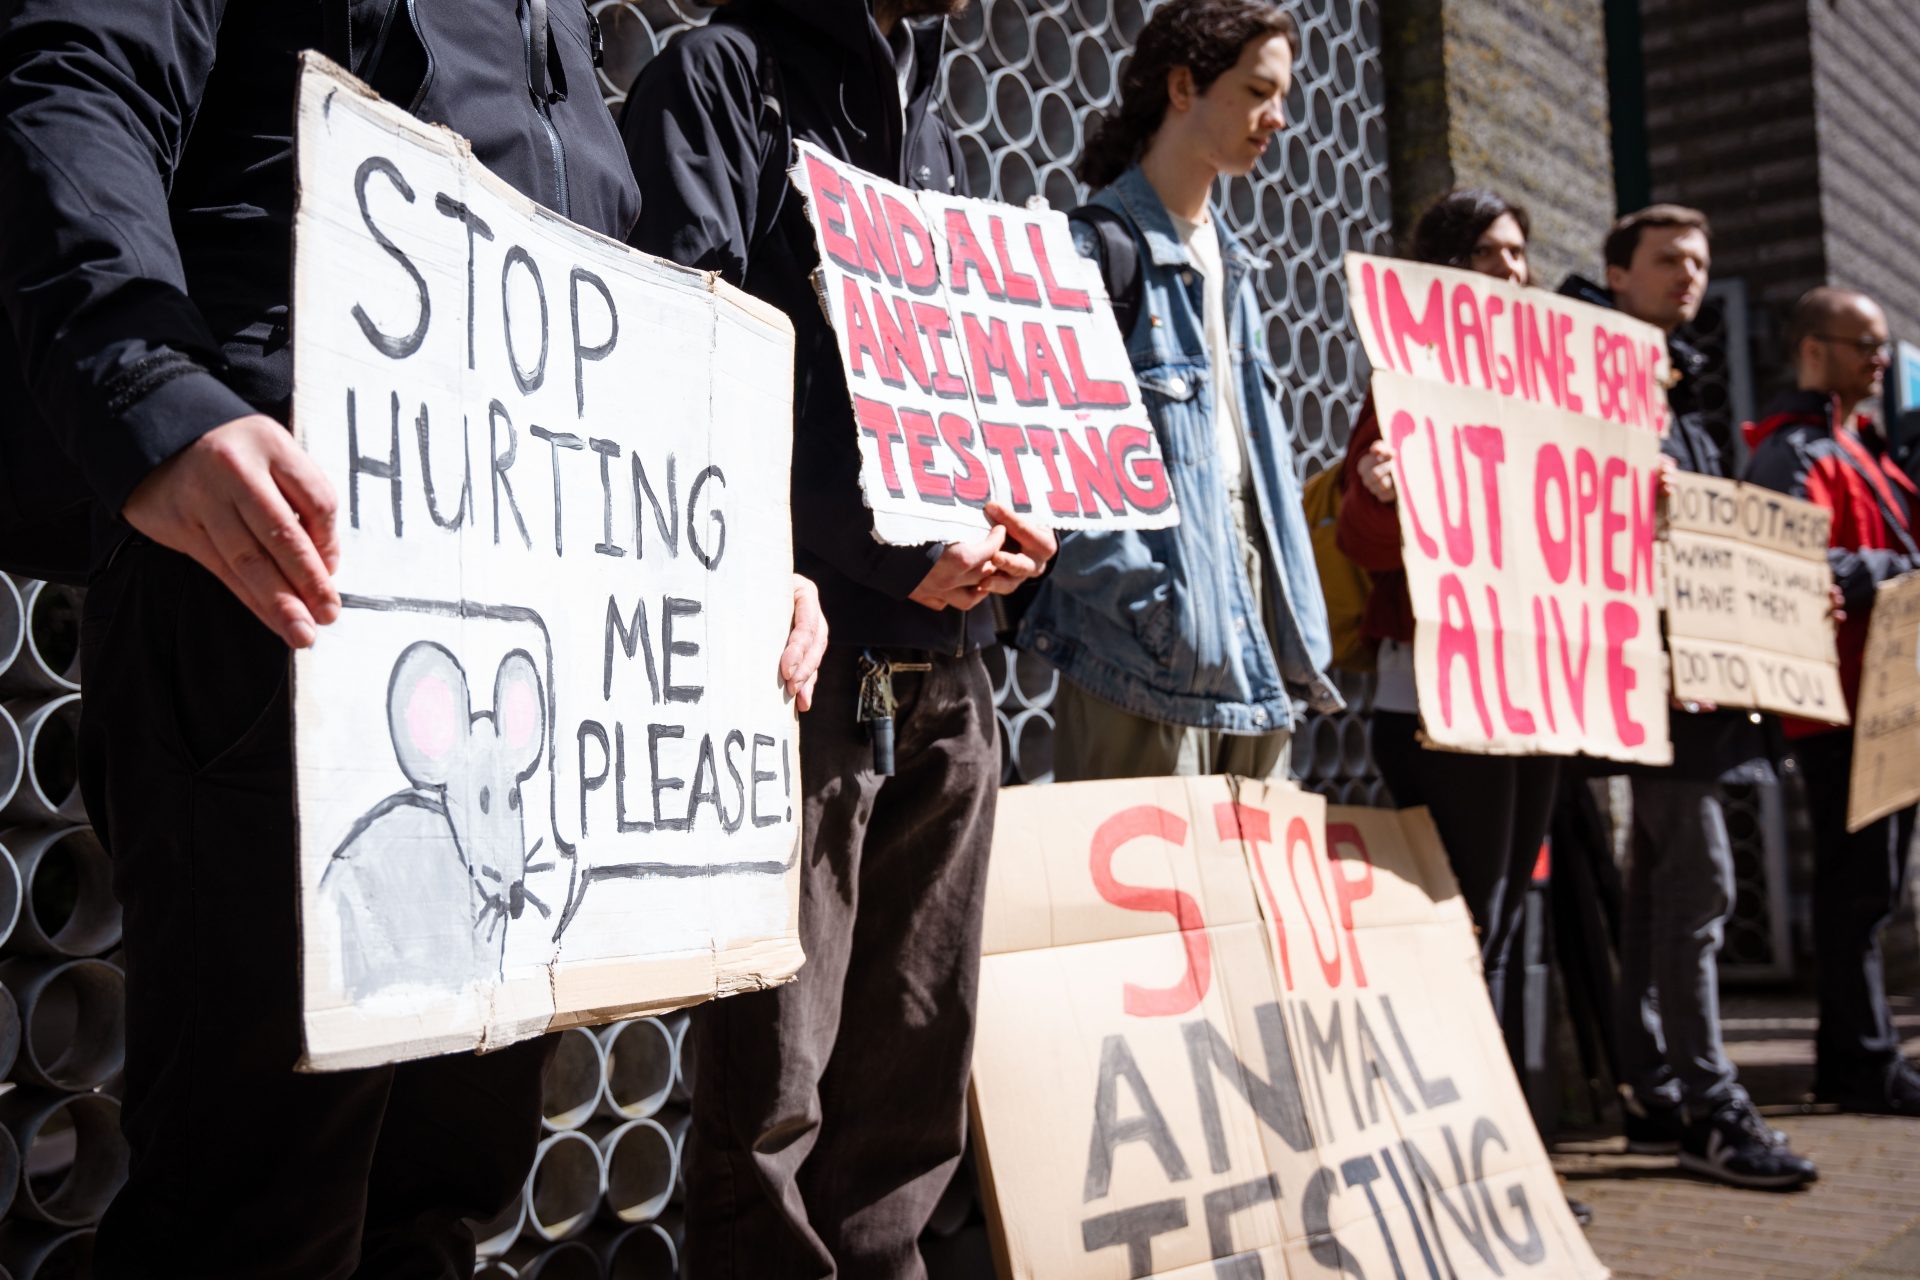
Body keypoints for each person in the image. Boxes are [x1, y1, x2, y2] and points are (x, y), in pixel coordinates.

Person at [0, 5, 826, 1273]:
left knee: (444, 1191)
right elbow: (78, 73)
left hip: (518, 656)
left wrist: (733, 566)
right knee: (252, 1216)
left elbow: (619, 332)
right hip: (281, 607)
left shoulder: (561, 39)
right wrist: (153, 388)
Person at [620, 2, 1056, 1275]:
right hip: (798, 675)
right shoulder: (723, 78)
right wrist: (880, 547)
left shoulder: (933, 125)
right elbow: (680, 362)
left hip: (952, 678)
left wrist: (1027, 520)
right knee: (772, 1097)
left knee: (912, 1095)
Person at [1018, 0, 1342, 782]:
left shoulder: (1236, 266)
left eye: (1283, 97)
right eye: (1258, 92)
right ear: (1183, 86)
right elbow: (1048, 466)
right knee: (1141, 865)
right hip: (1143, 639)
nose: (1278, 119)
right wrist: (1153, 608)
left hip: (1254, 630)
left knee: (1245, 864)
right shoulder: (1092, 250)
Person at [1563, 207, 1818, 1188]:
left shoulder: (1683, 381)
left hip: (1690, 676)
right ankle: (1711, 1106)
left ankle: (1656, 1093)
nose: (1690, 276)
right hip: (1644, 672)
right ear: (1617, 272)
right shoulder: (1578, 367)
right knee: (1700, 882)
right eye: (1669, 259)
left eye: (1701, 262)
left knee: (1659, 885)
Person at [1336, 188, 1559, 1073]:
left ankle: (1488, 1121)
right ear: (1446, 267)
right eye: (1492, 252)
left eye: (1520, 252)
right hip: (1439, 694)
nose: (1514, 269)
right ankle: (1458, 1112)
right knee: (1466, 918)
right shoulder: (1406, 380)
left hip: (1538, 692)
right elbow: (1362, 542)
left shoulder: (1548, 393)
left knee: (1496, 923)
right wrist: (1378, 491)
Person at [1746, 285, 1920, 1117]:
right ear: (1814, 349)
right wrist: (1901, 572)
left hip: (1889, 701)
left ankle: (1859, 1057)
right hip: (1843, 709)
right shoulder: (1794, 453)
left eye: (1882, 346)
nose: (1880, 360)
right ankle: (1860, 1064)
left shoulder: (1864, 448)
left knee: (1875, 887)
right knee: (1858, 890)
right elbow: (1789, 564)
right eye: (1866, 345)